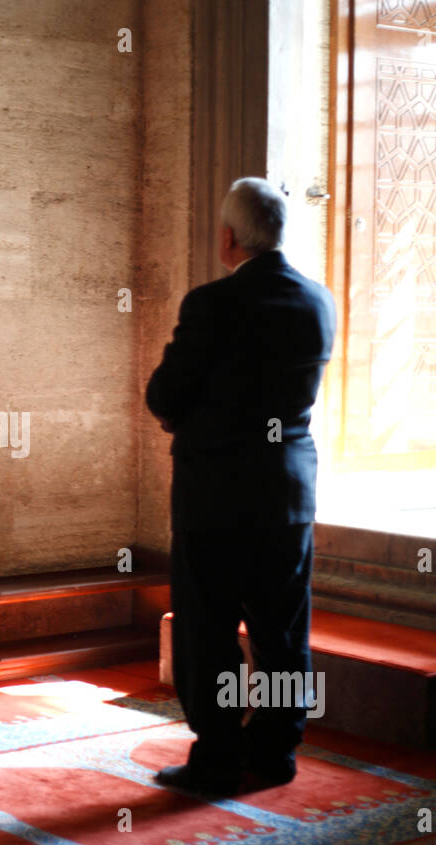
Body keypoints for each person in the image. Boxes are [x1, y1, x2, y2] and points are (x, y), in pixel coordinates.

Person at [145, 177, 336, 794]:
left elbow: (166, 395)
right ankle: (277, 751)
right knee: (283, 632)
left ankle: (221, 755)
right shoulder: (319, 302)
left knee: (209, 632)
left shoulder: (211, 304)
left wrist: (188, 416)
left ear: (228, 238)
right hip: (285, 495)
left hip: (216, 498)